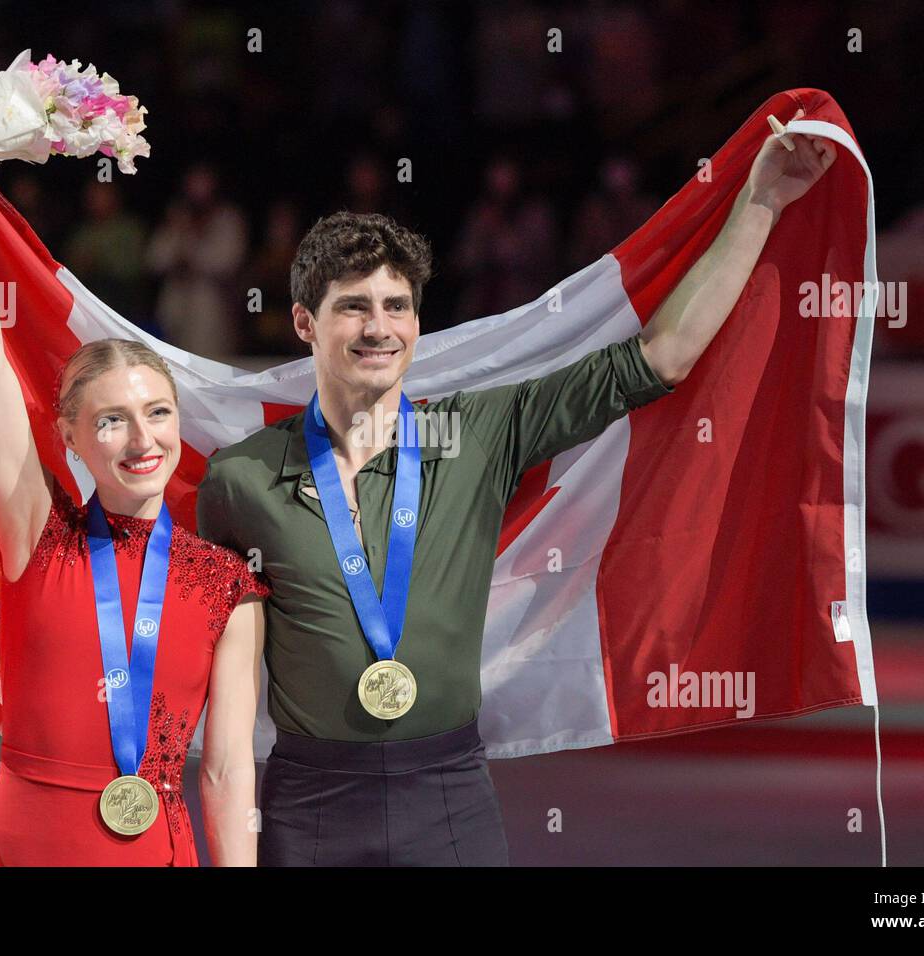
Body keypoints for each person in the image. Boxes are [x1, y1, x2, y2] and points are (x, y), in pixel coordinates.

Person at [195, 108, 837, 866]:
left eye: (397, 305)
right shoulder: (240, 481)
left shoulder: (476, 433)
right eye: (353, 307)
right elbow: (210, 688)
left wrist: (759, 202)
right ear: (305, 322)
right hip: (310, 804)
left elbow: (661, 358)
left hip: (448, 795)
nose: (379, 327)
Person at [0, 114, 269, 866]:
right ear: (71, 437)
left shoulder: (226, 585)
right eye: (112, 420)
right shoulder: (36, 534)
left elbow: (230, 769)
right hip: (25, 845)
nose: (143, 440)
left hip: (156, 850)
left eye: (158, 414)